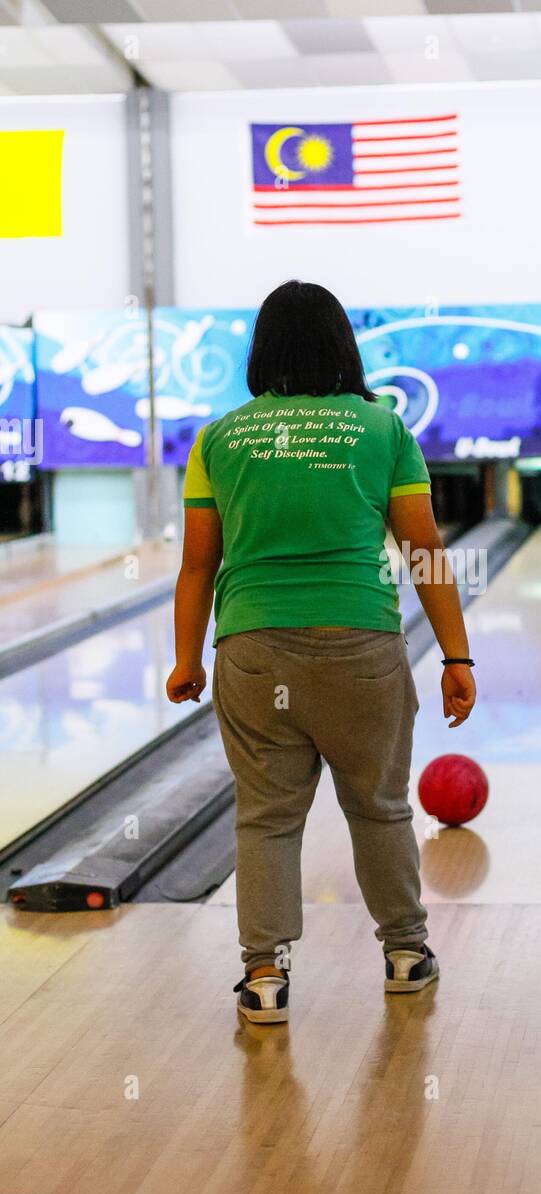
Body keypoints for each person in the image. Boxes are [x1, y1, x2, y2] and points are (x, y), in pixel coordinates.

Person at [166, 280, 476, 1024]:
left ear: (260, 349)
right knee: (378, 809)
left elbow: (197, 564)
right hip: (360, 647)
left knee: (266, 817)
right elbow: (424, 550)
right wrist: (457, 658)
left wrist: (185, 659)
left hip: (252, 648)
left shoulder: (219, 437)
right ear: (345, 346)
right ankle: (405, 953)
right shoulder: (382, 430)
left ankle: (264, 978)